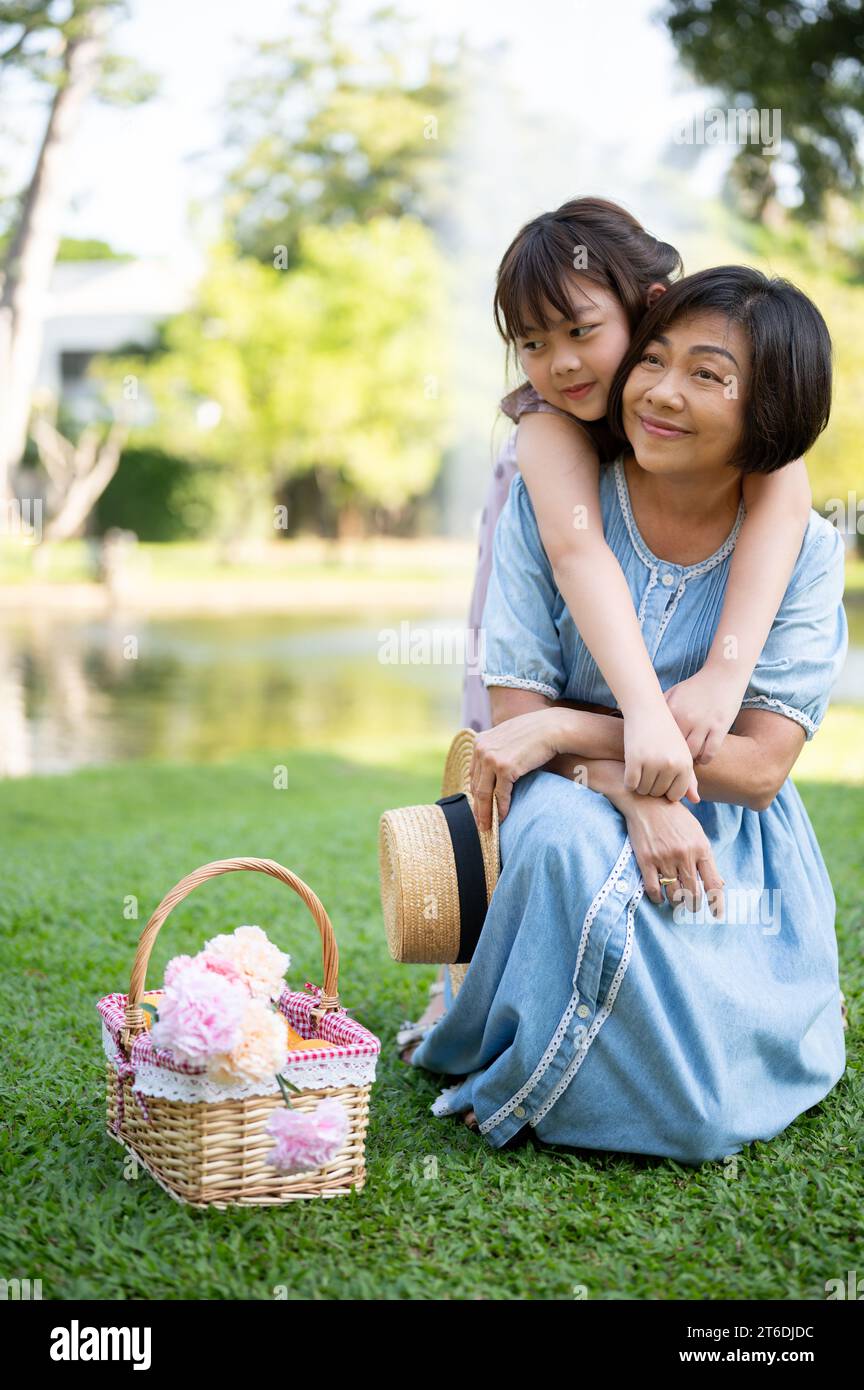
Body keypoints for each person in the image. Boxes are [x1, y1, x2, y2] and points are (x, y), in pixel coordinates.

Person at [409, 266, 848, 1164]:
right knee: (568, 835)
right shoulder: (554, 502)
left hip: (722, 840)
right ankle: (581, 1079)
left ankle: (667, 1074)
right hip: (559, 807)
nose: (662, 392)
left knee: (712, 1069)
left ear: (770, 406)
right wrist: (624, 784)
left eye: (708, 375)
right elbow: (512, 730)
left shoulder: (800, 545)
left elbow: (759, 770)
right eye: (653, 361)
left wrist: (572, 730)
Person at [462, 198, 812, 809]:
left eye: (581, 331)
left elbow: (781, 504)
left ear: (649, 306)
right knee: (522, 738)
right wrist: (647, 715)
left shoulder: (710, 399)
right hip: (566, 656)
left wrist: (722, 680)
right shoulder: (545, 427)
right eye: (533, 343)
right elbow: (576, 553)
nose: (560, 362)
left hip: (648, 736)